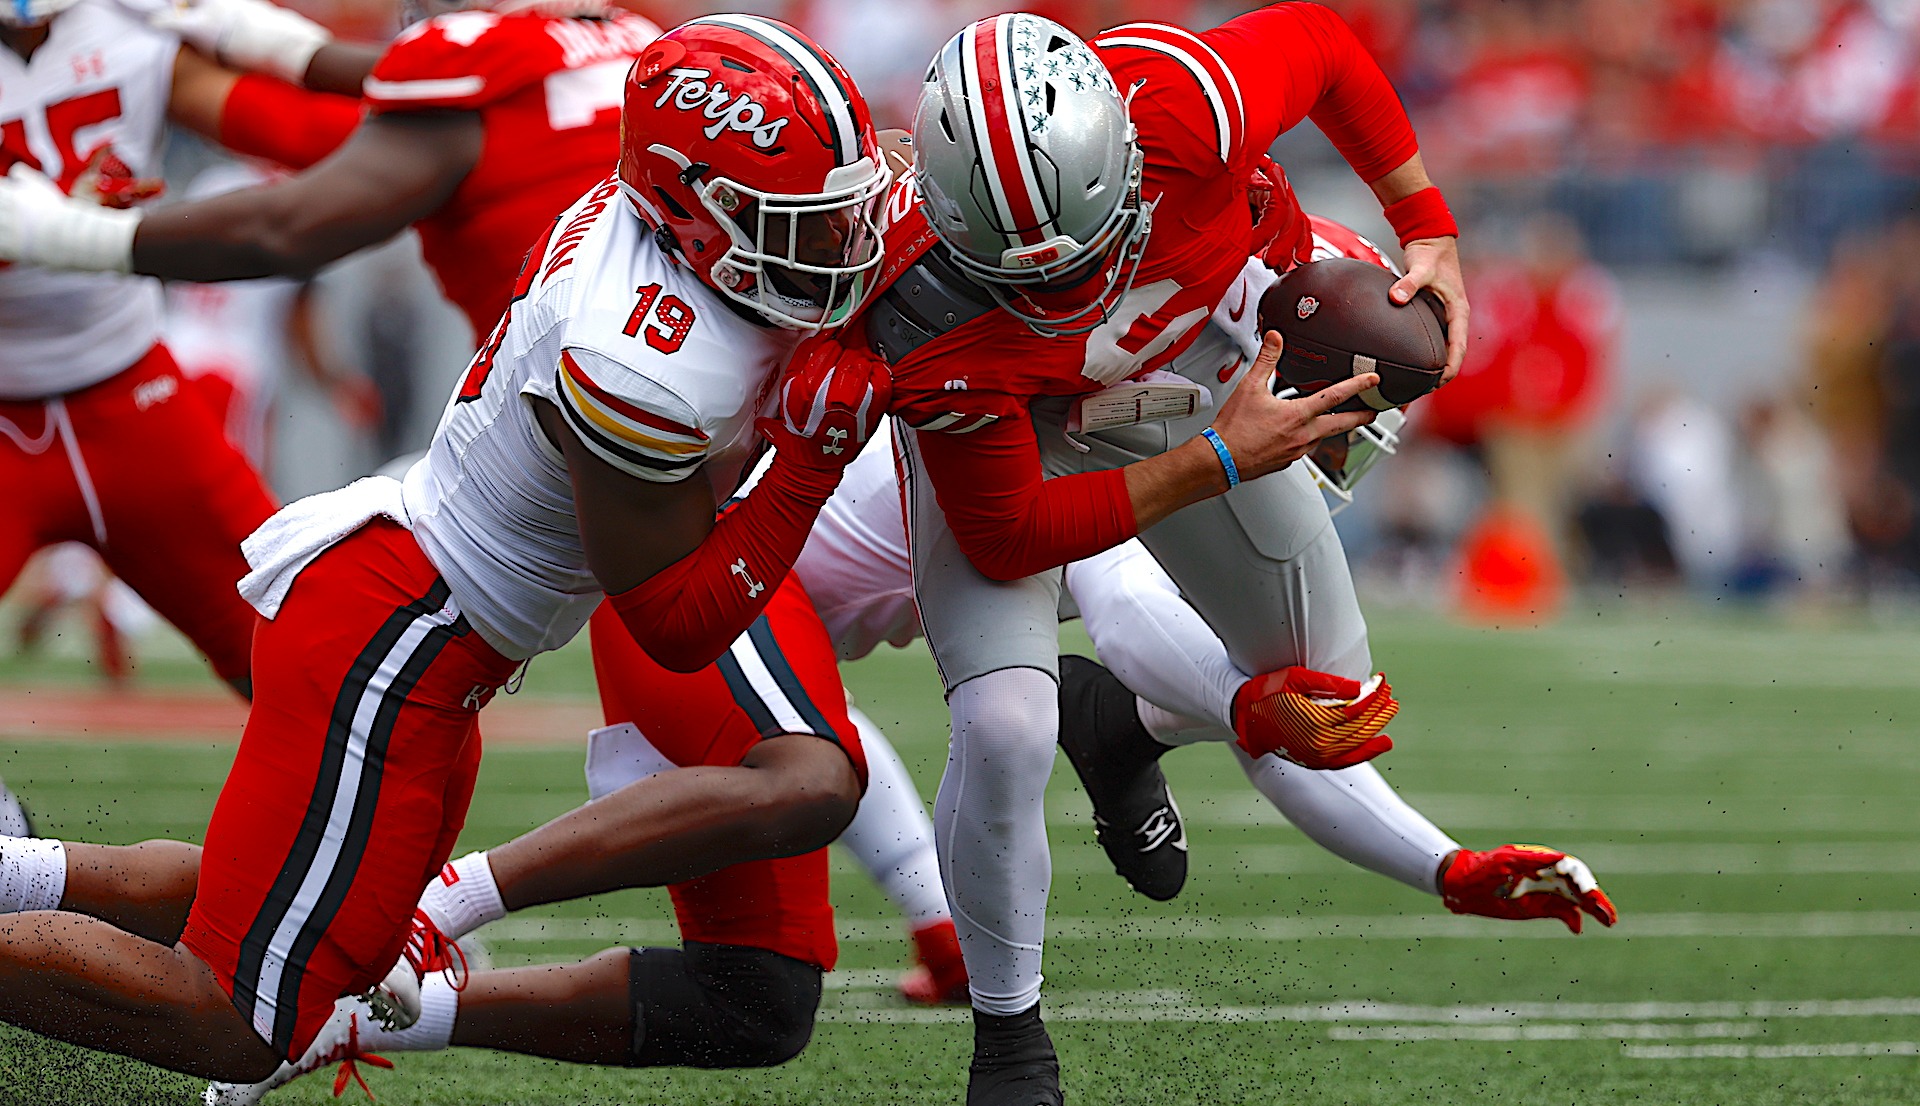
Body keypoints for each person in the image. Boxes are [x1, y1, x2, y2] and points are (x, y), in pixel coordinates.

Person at [0, 15, 892, 1082]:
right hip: (401, 633)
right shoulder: (632, 357)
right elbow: (677, 621)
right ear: (693, 210)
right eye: (790, 224)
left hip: (412, 619)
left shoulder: (652, 224)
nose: (835, 247)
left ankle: (14, 872)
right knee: (236, 1016)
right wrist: (809, 462)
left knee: (316, 920)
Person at [854, 10, 1470, 1102]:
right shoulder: (930, 301)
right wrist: (1222, 460)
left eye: (1079, 250)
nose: (1059, 283)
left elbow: (1325, 45)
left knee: (1331, 707)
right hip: (1014, 423)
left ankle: (1125, 721)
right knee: (1001, 724)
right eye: (1022, 266)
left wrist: (1426, 224)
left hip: (1172, 371)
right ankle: (1008, 1039)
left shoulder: (1186, 105)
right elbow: (1011, 532)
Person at [0, 0, 311, 700]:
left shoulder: (133, 30)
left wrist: (304, 53)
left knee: (316, 671)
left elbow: (308, 135)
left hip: (139, 397)